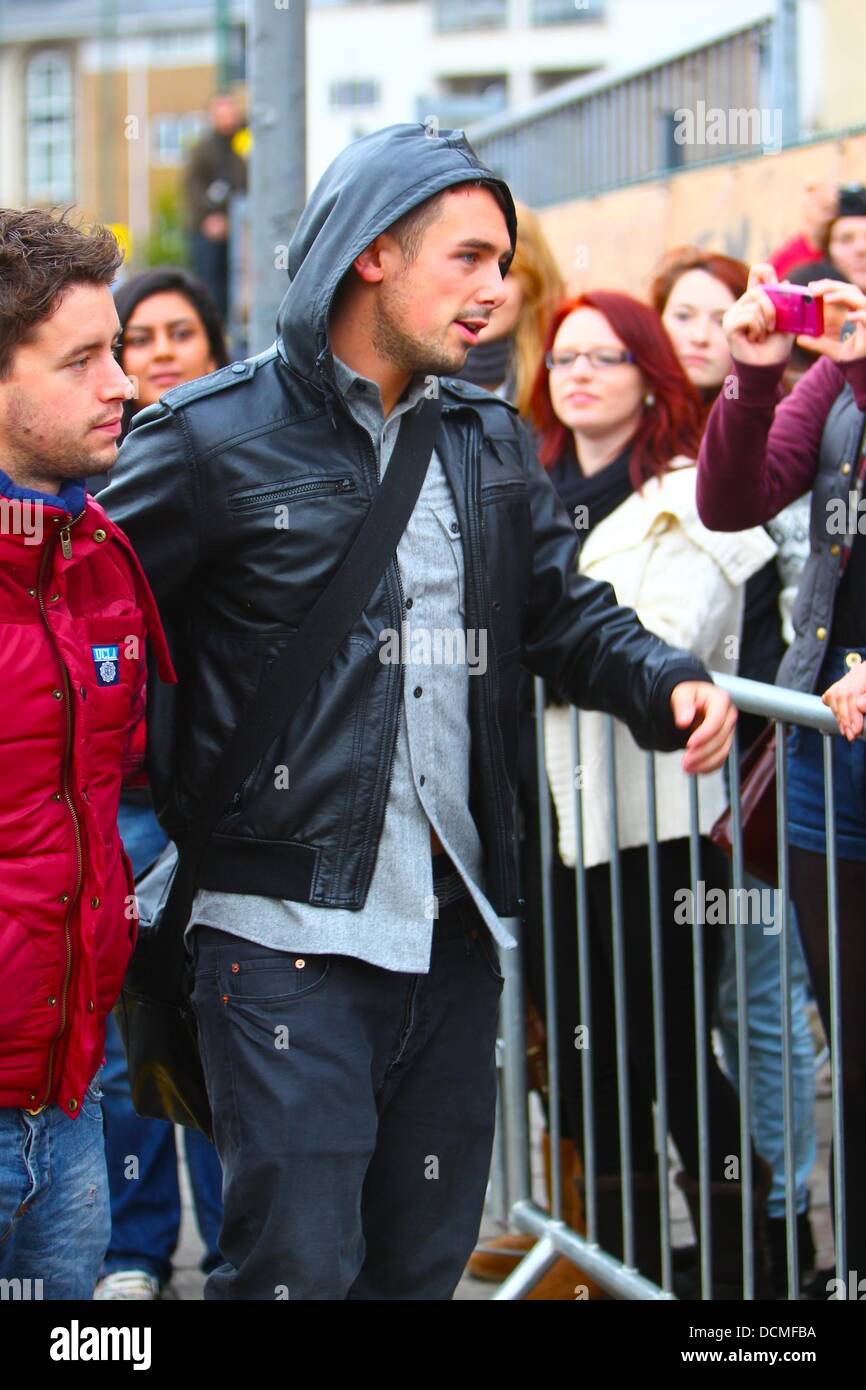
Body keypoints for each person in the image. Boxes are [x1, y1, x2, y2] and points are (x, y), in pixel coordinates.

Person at [101, 123, 735, 1302]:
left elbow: (558, 607)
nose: (498, 291)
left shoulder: (485, 435)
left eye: (503, 263)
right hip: (277, 935)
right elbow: (78, 621)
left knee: (416, 1268)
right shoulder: (207, 437)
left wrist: (662, 679)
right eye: (470, 258)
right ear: (373, 254)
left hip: (451, 935)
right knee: (295, 1266)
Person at [534, 290, 775, 1298]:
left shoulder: (687, 492)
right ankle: (620, 1268)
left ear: (648, 375)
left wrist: (547, 649)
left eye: (603, 356)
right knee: (585, 1078)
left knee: (673, 1057)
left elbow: (658, 639)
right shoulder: (523, 488)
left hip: (659, 827)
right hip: (551, 826)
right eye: (560, 359)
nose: (578, 373)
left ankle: (750, 1280)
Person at [0, 208, 174, 1299]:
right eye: (83, 359)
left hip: (67, 1106)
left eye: (115, 348)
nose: (123, 380)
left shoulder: (101, 556)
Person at [652, 247, 820, 1296]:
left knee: (765, 1004)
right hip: (671, 781)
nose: (705, 332)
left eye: (726, 313)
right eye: (684, 313)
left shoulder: (795, 431)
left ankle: (787, 1222)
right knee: (695, 1011)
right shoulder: (658, 451)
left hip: (762, 765)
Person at [697, 261, 866, 1287]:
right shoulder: (838, 374)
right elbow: (732, 499)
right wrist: (753, 375)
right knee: (847, 1039)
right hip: (825, 746)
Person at [91, 268, 227, 1301]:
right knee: (123, 1050)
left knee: (227, 1044)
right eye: (141, 336)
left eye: (184, 332)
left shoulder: (245, 462)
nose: (163, 351)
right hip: (119, 796)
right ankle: (135, 1252)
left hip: (221, 799)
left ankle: (236, 1252)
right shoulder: (87, 470)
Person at [455, 200, 563, 407]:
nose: (485, 292)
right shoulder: (411, 387)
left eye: (505, 272)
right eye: (467, 264)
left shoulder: (568, 381)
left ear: (534, 282)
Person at [184, 92, 248, 320]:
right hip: (208, 232)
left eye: (230, 110)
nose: (226, 117)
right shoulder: (203, 150)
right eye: (221, 111)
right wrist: (208, 219)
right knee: (211, 286)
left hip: (240, 231)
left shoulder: (244, 144)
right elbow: (192, 189)